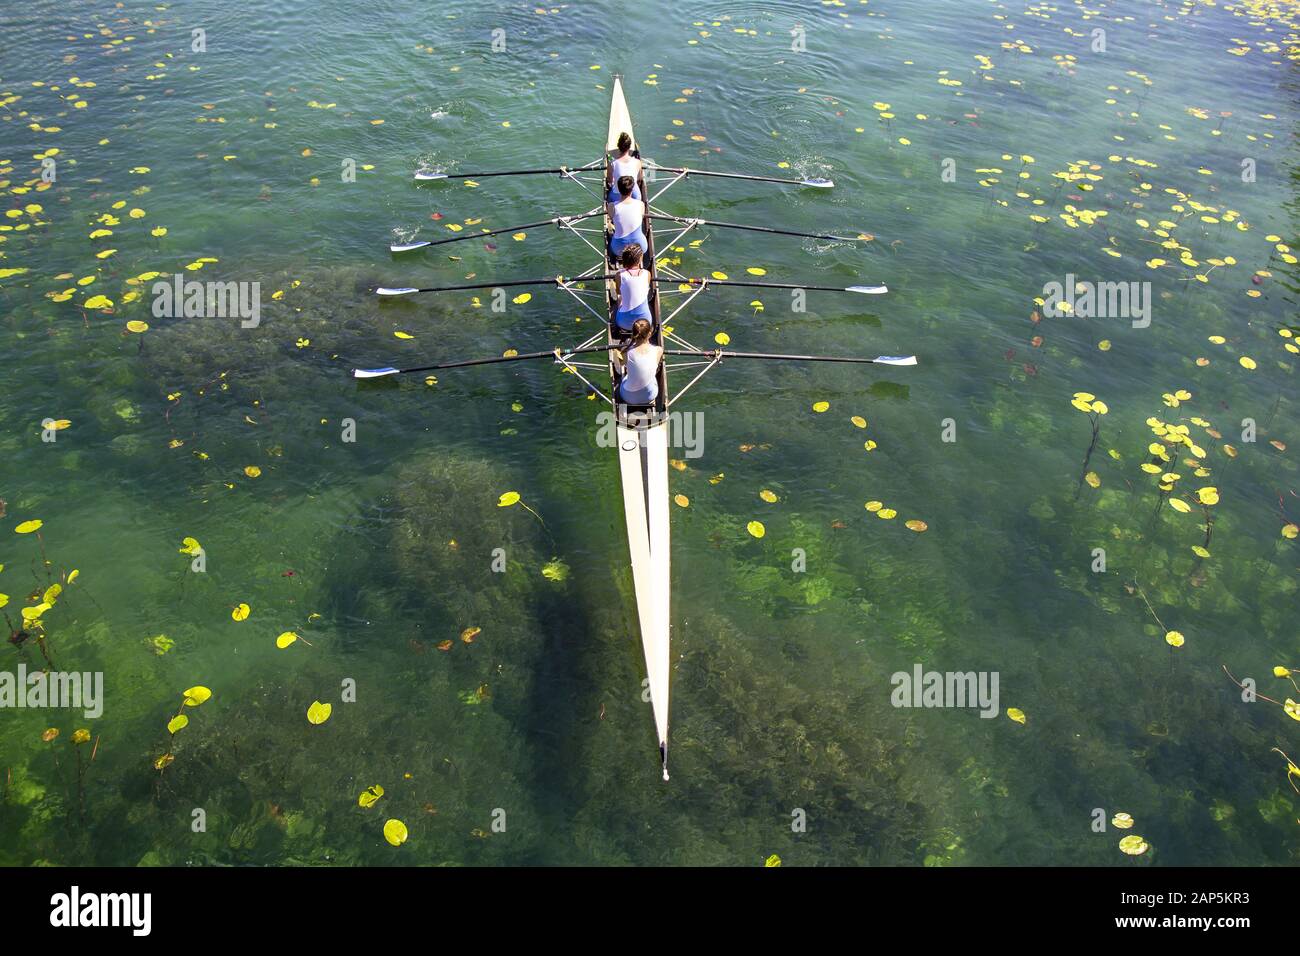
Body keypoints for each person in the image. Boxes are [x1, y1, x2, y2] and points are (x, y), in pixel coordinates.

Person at [616, 318, 662, 406]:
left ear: (633, 333)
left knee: (626, 374)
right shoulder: (659, 350)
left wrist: (616, 352)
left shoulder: (626, 352)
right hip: (650, 396)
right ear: (649, 334)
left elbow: (620, 363)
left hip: (628, 397)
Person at [612, 244, 652, 332]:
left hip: (624, 323)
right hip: (646, 322)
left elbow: (619, 293)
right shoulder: (647, 273)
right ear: (640, 259)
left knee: (619, 297)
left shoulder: (619, 275)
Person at [608, 175, 647, 262]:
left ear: (618, 189)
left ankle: (612, 260)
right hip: (641, 247)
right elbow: (642, 216)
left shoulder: (611, 206)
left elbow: (611, 217)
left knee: (610, 234)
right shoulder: (641, 204)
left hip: (618, 249)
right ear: (632, 189)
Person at [608, 132, 642, 202]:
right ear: (629, 147)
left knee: (610, 196)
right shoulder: (638, 162)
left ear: (618, 146)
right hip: (635, 195)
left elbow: (610, 181)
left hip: (617, 193)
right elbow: (639, 180)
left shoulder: (612, 164)